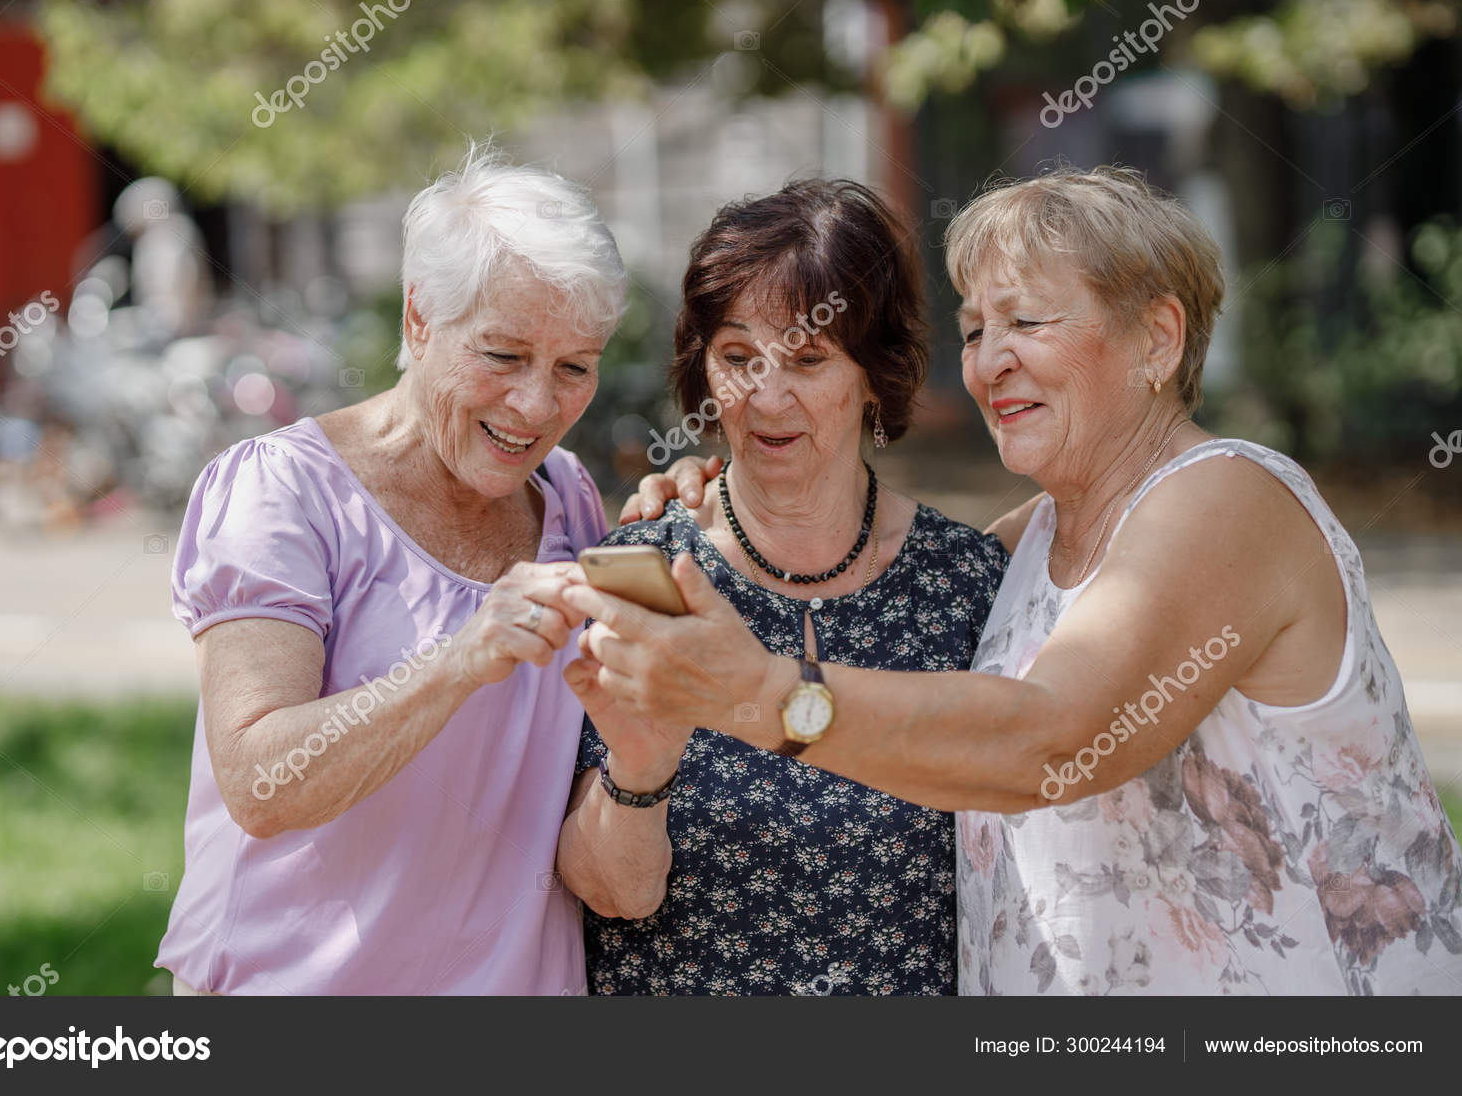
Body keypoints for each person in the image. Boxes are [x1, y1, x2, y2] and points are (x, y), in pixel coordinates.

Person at [568, 166, 1462, 995]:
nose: (991, 359)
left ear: (1157, 337)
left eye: (1028, 321)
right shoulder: (1020, 547)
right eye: (975, 329)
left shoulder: (1226, 499)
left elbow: (1046, 740)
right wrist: (701, 488)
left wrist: (761, 690)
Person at [155, 145, 623, 994]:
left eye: (574, 368)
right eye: (504, 354)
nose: (537, 405)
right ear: (418, 319)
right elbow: (261, 781)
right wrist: (457, 661)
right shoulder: (282, 490)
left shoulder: (569, 497)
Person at [554, 180, 1007, 995]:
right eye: (737, 358)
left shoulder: (967, 584)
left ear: (876, 374)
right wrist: (641, 767)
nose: (765, 397)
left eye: (806, 360)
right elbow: (612, 892)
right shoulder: (644, 572)